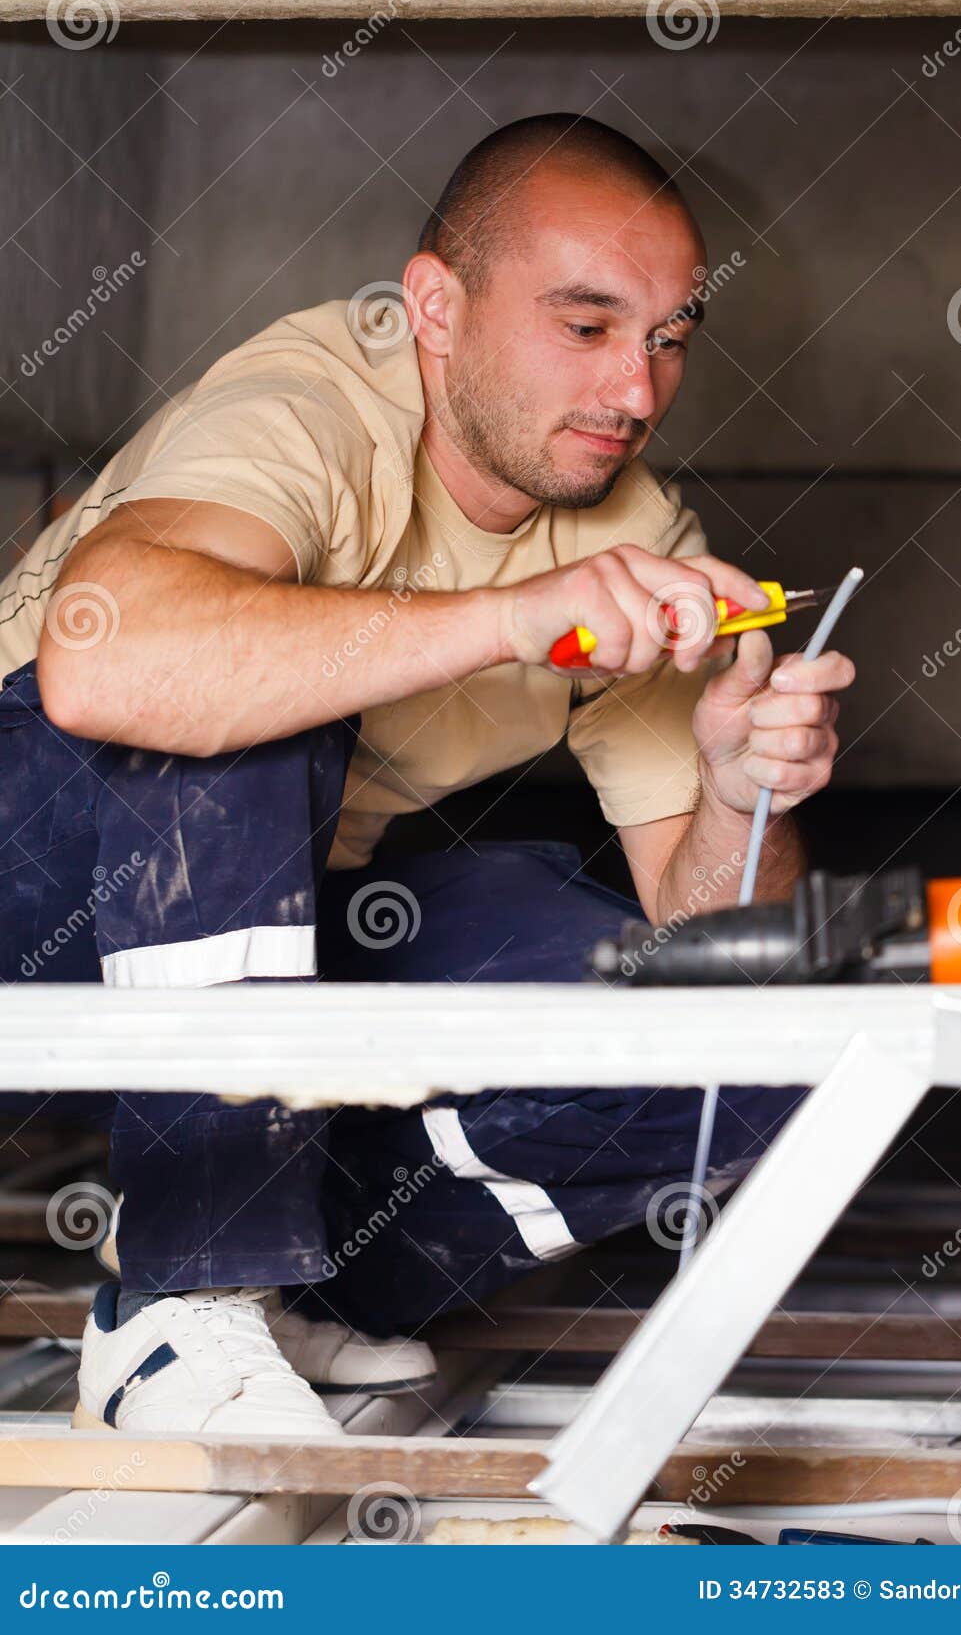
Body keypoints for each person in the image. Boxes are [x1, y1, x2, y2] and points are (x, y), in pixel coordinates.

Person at [0, 114, 853, 1439]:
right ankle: (197, 1286)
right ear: (436, 308)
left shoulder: (635, 530)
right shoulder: (313, 403)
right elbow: (111, 670)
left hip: (244, 937)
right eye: (587, 326)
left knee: (745, 1053)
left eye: (671, 336)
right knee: (259, 696)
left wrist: (745, 789)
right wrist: (516, 618)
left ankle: (250, 1283)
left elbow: (710, 951)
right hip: (39, 900)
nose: (637, 389)